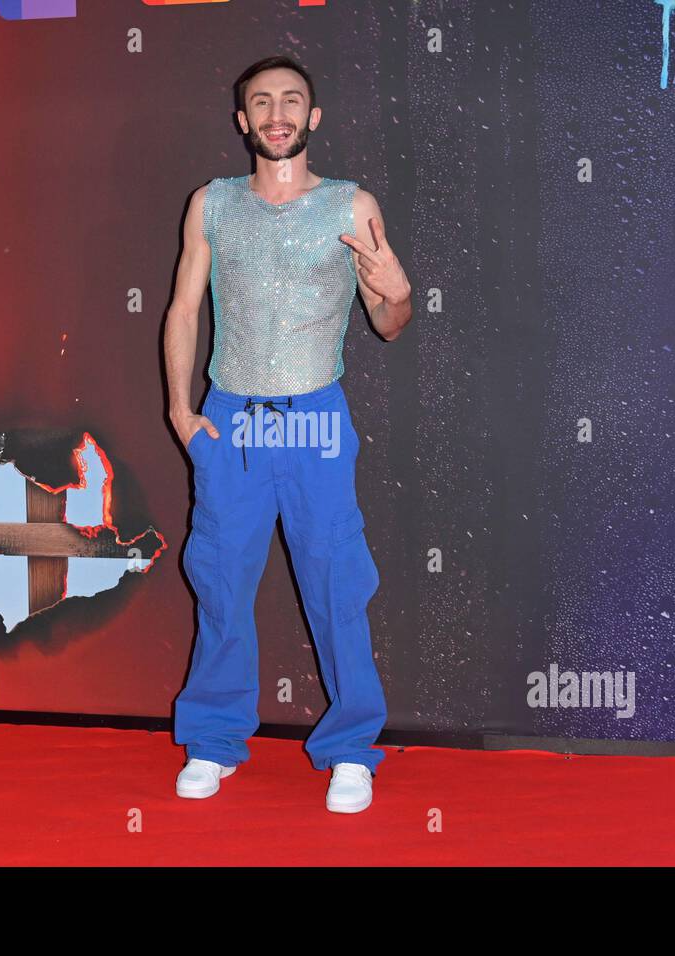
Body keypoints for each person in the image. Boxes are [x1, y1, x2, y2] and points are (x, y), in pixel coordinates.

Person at [163, 55, 412, 813]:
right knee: (221, 582)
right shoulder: (210, 203)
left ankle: (350, 750)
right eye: (261, 102)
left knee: (338, 582)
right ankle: (211, 739)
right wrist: (181, 410)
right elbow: (183, 309)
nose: (277, 113)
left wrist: (397, 293)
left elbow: (387, 324)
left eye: (292, 101)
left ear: (313, 117)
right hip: (231, 416)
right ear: (243, 121)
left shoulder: (349, 205)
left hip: (316, 419)